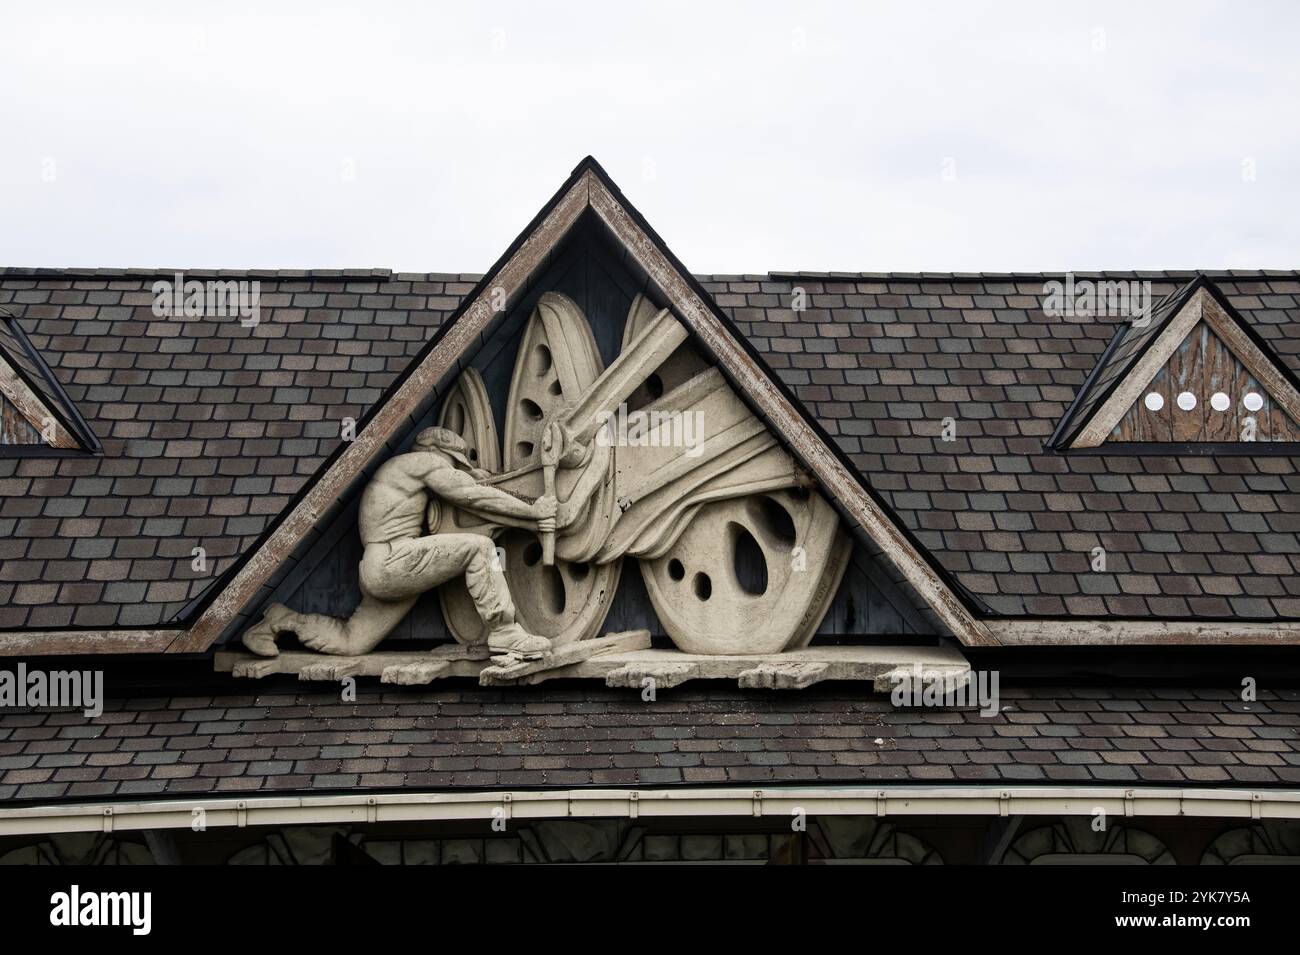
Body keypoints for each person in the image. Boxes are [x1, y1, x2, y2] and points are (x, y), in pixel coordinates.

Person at [243, 426, 560, 659]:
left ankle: (280, 621)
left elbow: (470, 486)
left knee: (353, 642)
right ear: (436, 452)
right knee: (481, 549)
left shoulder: (396, 472)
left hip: (380, 570)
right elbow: (470, 496)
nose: (453, 469)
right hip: (395, 560)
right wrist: (532, 511)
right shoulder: (423, 462)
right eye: (453, 462)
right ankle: (505, 631)